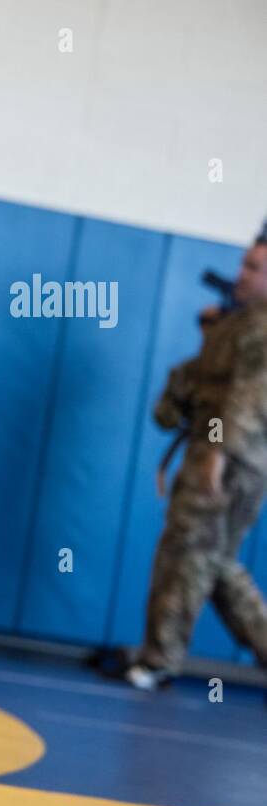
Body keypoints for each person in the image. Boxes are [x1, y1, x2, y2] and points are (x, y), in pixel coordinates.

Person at [127, 236, 267, 690]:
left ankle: (160, 658)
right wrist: (210, 339)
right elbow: (186, 397)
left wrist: (219, 455)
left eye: (253, 268)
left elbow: (247, 398)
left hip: (232, 459)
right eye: (243, 265)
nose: (241, 274)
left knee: (192, 557)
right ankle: (159, 653)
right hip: (211, 451)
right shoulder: (235, 324)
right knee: (210, 560)